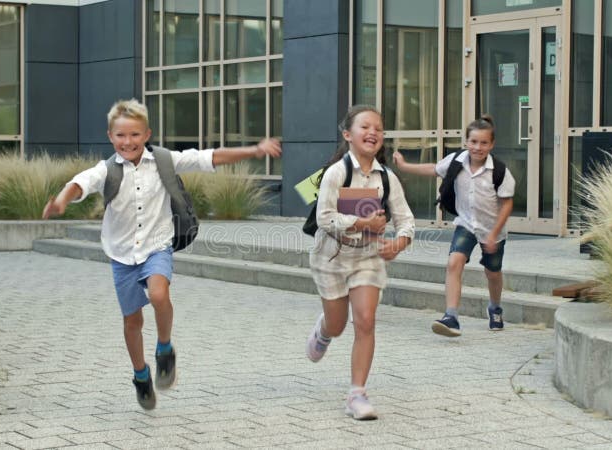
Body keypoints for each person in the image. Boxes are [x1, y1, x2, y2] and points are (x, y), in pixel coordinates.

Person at [42, 99, 281, 409]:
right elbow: (79, 183)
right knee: (132, 321)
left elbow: (208, 157)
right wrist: (61, 202)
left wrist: (254, 150)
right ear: (110, 136)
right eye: (121, 136)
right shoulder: (107, 170)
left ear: (147, 134)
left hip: (157, 244)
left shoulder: (166, 160)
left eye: (135, 135)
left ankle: (165, 349)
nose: (128, 142)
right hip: (122, 253)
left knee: (158, 294)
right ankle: (141, 375)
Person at [306, 105, 415, 420]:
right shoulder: (336, 172)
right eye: (365, 127)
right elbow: (324, 218)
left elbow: (406, 220)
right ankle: (324, 331)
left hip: (368, 256)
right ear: (347, 135)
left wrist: (399, 242)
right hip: (332, 256)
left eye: (378, 129)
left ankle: (357, 394)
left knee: (365, 320)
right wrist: (362, 222)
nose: (373, 133)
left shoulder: (388, 178)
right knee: (338, 325)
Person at [392, 115, 514, 337]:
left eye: (484, 143)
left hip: (492, 230)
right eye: (474, 142)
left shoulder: (500, 171)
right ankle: (451, 316)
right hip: (466, 224)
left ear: (492, 144)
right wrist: (404, 166)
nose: (478, 147)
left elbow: (507, 204)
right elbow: (433, 169)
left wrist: (494, 233)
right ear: (466, 142)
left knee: (492, 272)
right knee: (453, 262)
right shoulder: (456, 161)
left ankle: (495, 308)